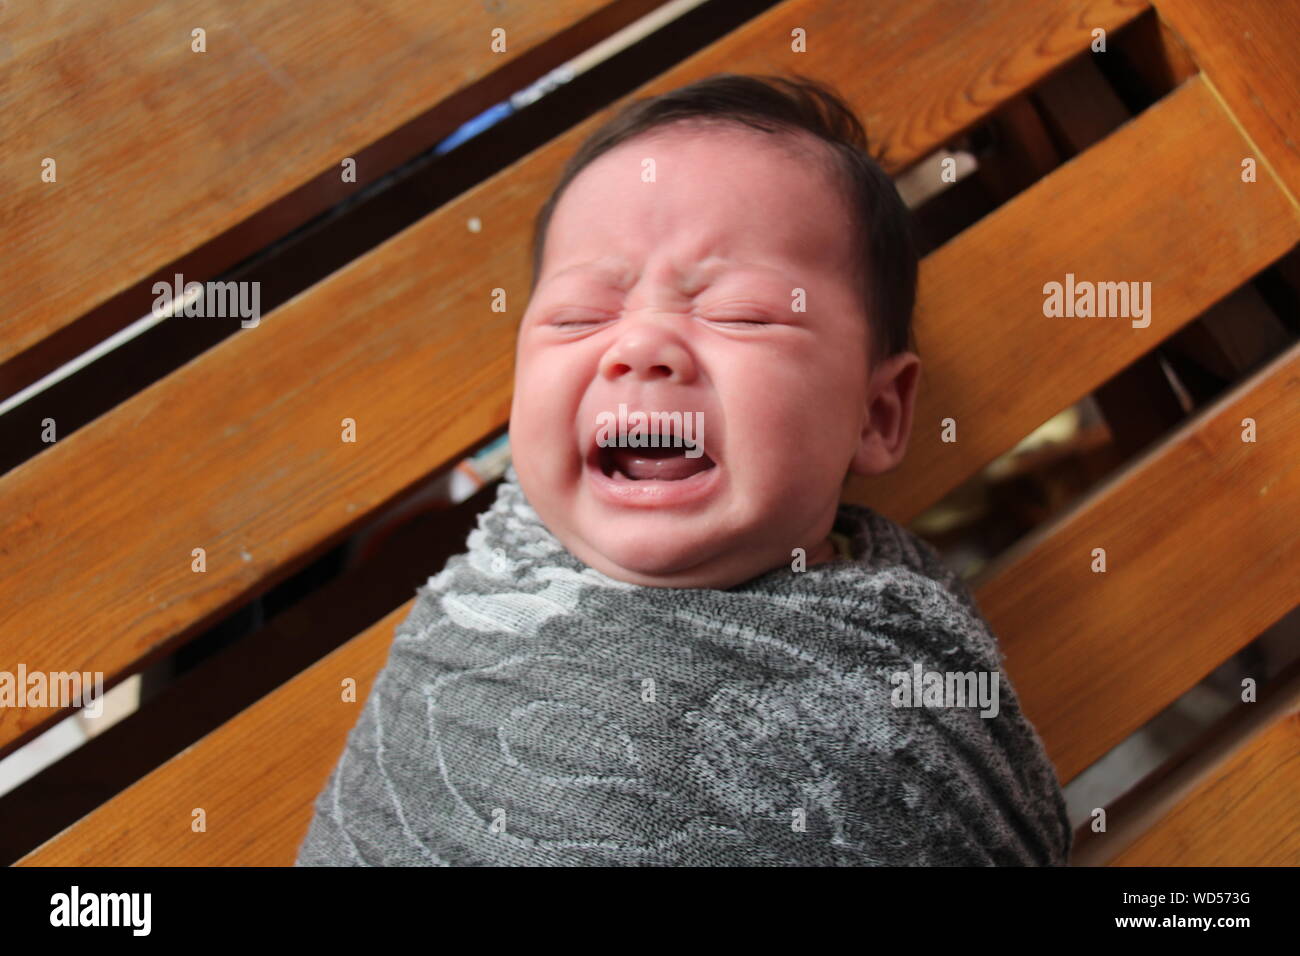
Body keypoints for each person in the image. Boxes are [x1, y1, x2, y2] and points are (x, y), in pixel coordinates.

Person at [296, 73, 1071, 866]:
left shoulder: (900, 659)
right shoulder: (481, 599)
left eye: (742, 314)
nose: (640, 348)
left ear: (875, 416)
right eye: (581, 318)